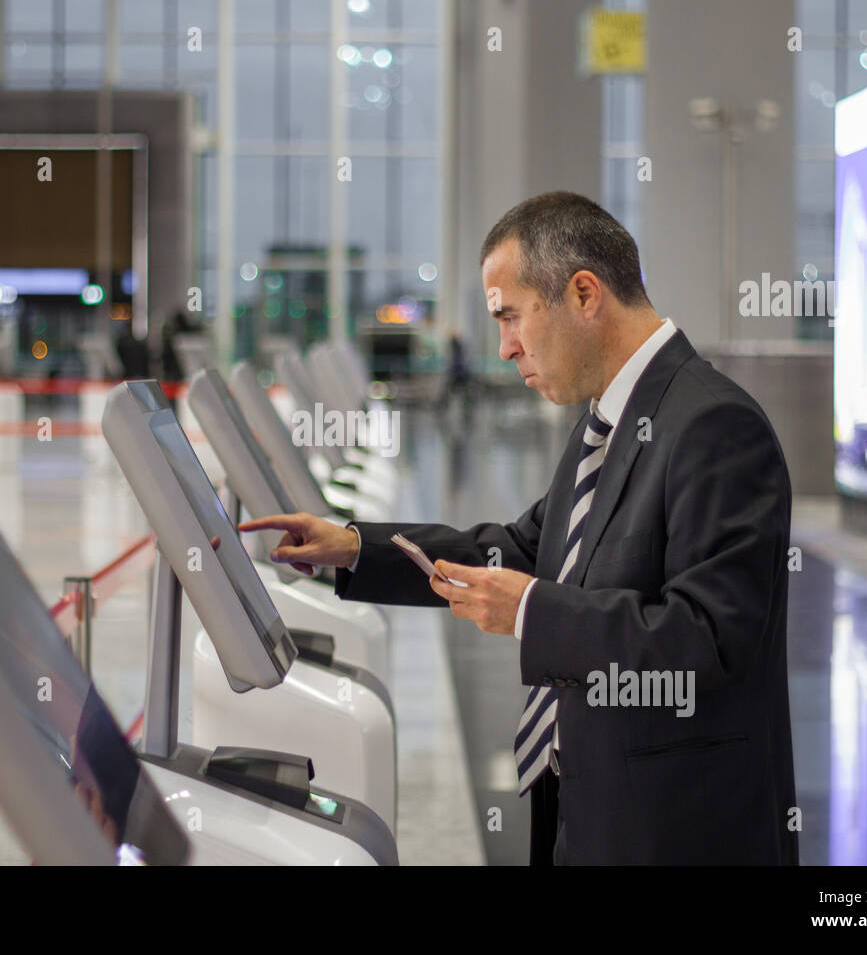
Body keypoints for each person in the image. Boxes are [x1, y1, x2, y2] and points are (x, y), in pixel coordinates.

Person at [240, 191, 798, 866]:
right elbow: (526, 548)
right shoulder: (609, 422)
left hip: (672, 829)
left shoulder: (712, 426)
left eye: (510, 317)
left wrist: (533, 611)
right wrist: (357, 548)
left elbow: (709, 639)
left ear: (584, 294)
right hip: (589, 805)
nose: (504, 348)